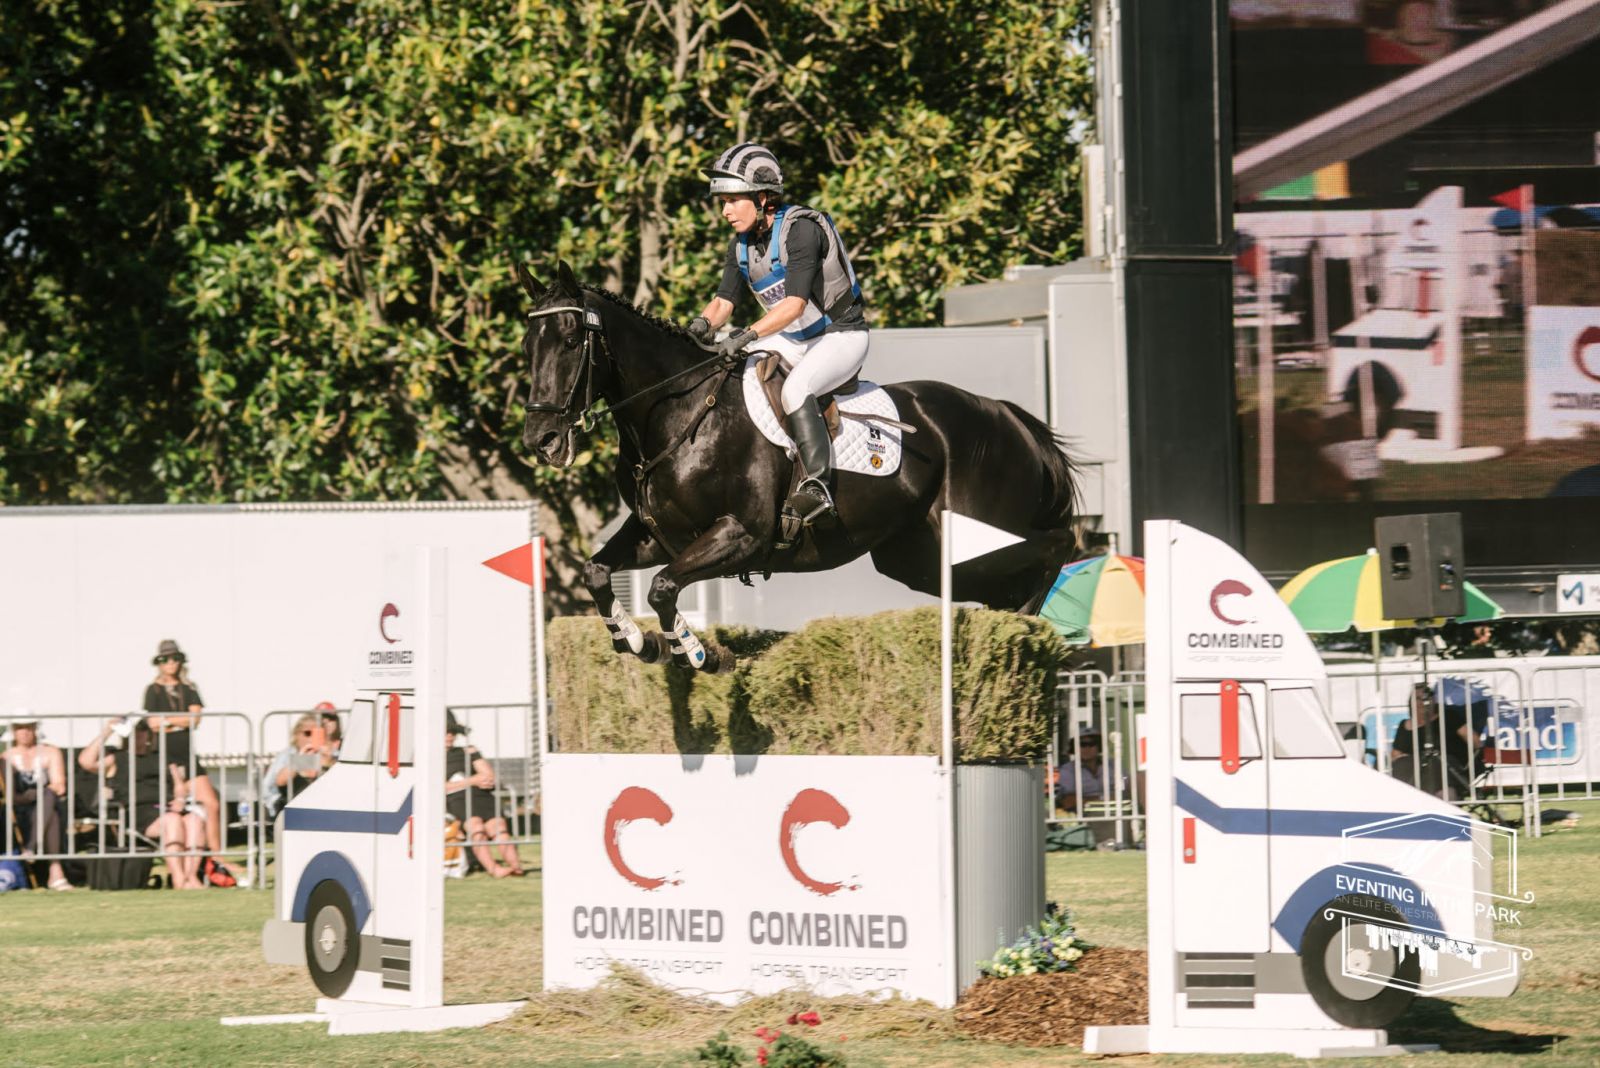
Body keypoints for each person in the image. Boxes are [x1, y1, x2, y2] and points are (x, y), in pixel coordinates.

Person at [687, 142, 869, 530]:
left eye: (734, 200)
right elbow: (723, 302)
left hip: (839, 336)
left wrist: (747, 335)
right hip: (793, 337)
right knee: (726, 368)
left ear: (764, 197)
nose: (725, 210)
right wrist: (698, 328)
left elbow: (794, 305)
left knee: (795, 390)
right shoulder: (741, 245)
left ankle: (818, 485)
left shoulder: (801, 230)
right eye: (724, 201)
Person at [141, 639, 241, 884]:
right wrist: (179, 720)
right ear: (159, 663)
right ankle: (181, 869)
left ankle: (216, 854)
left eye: (174, 658)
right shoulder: (152, 691)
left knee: (212, 802)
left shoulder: (189, 688)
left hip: (187, 755)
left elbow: (195, 719)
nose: (170, 664)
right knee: (175, 808)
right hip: (164, 758)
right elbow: (153, 723)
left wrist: (170, 722)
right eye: (165, 659)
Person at [79, 717, 206, 889]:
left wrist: (180, 799)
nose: (139, 734)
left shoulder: (163, 758)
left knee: (194, 820)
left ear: (148, 734)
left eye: (142, 729)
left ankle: (191, 877)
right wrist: (108, 730)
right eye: (135, 730)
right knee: (172, 820)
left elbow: (179, 786)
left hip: (167, 807)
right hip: (138, 813)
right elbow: (86, 762)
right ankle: (179, 879)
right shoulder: (117, 759)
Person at [445, 713, 524, 878]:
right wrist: (473, 780)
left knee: (499, 827)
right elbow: (439, 787)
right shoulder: (430, 758)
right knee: (476, 827)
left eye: (452, 732)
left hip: (482, 796)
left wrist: (468, 782)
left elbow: (488, 776)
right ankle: (494, 870)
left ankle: (516, 867)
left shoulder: (468, 751)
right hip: (457, 800)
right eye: (445, 732)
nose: (449, 736)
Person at [3, 714, 72, 890]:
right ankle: (56, 874)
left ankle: (31, 847)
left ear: (35, 728)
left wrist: (39, 793)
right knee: (51, 814)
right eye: (19, 728)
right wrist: (26, 797)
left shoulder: (50, 752)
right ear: (13, 731)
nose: (24, 732)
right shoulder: (7, 757)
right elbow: (10, 794)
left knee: (49, 799)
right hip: (21, 811)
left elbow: (59, 785)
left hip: (47, 804)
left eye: (28, 727)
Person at [1390, 683, 1477, 799]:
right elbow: (1395, 756)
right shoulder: (1404, 725)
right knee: (1400, 766)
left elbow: (1475, 741)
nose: (1422, 702)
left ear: (1433, 701)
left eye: (1426, 698)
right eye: (1418, 699)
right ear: (1411, 703)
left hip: (1447, 766)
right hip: (1416, 769)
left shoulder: (1448, 717)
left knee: (1436, 764)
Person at [261, 712, 338, 820]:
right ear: (296, 735)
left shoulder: (330, 755)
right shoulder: (288, 754)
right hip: (291, 811)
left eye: (318, 734)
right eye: (307, 733)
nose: (311, 738)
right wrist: (301, 759)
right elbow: (278, 782)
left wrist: (328, 761)